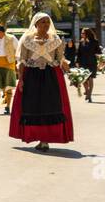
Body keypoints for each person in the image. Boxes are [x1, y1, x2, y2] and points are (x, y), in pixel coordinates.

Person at [9, 12, 74, 151]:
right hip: (31, 75)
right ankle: (37, 137)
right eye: (43, 22)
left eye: (47, 22)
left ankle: (45, 140)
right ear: (36, 24)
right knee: (33, 107)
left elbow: (60, 59)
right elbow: (22, 62)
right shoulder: (27, 40)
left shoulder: (55, 40)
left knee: (50, 106)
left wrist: (69, 69)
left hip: (51, 76)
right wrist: (20, 79)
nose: (46, 24)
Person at [75, 27, 101, 103]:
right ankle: (87, 91)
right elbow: (79, 53)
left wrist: (100, 58)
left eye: (83, 33)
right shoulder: (81, 42)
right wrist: (77, 62)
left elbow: (98, 51)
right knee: (84, 78)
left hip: (92, 62)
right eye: (81, 33)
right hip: (83, 62)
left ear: (87, 33)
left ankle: (89, 94)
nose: (81, 34)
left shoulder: (95, 41)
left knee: (90, 78)